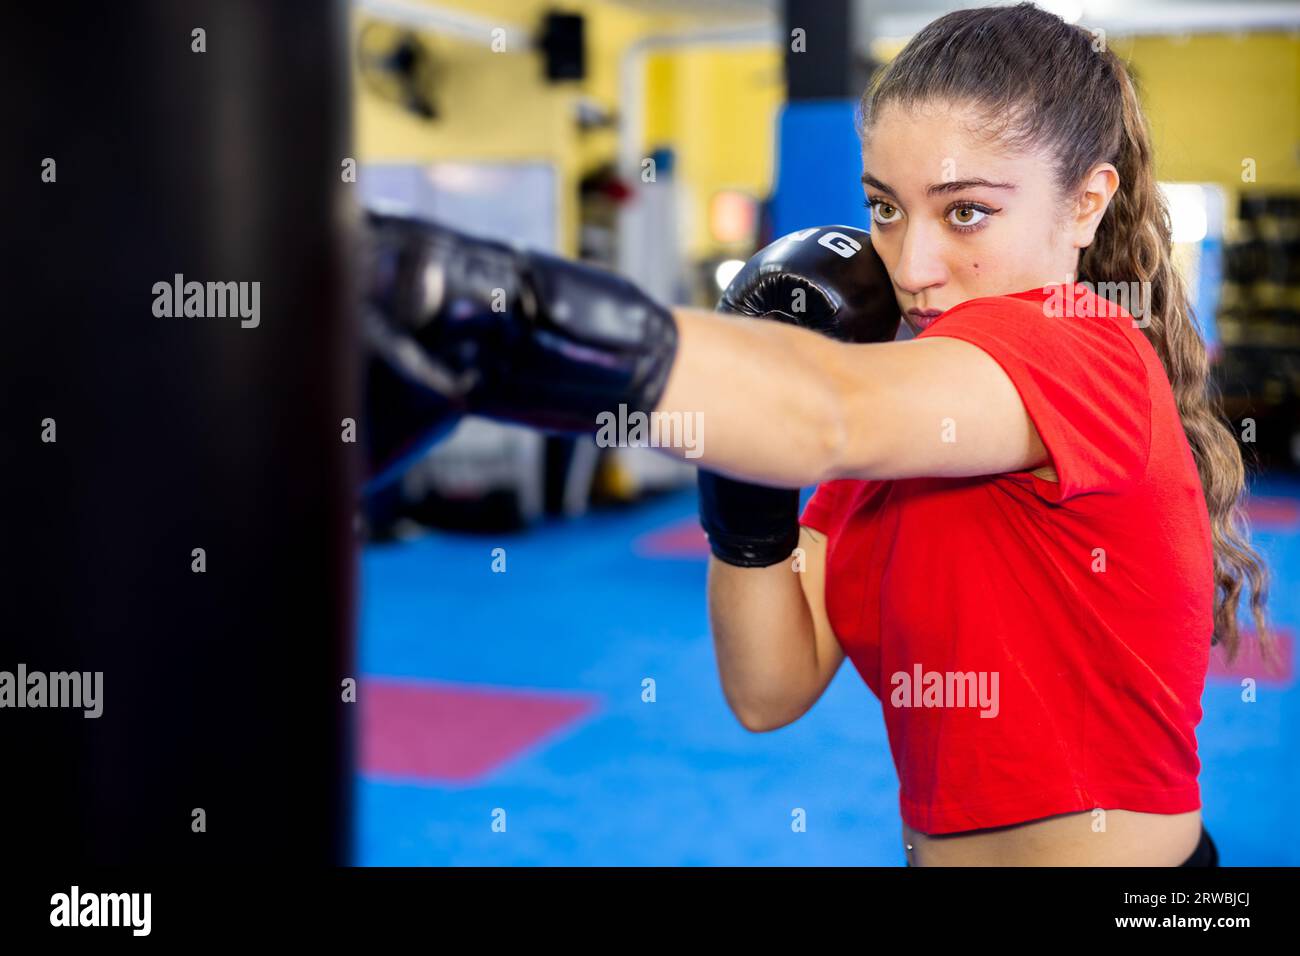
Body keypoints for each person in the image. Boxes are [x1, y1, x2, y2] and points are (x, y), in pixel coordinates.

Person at [361, 3, 1273, 867]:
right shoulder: (897, 431)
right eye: (884, 207)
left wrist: (495, 313)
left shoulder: (1082, 347)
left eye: (966, 212)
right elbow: (768, 688)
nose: (912, 267)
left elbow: (824, 412)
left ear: (1085, 203)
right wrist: (747, 456)